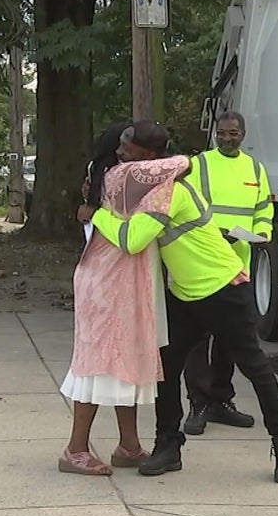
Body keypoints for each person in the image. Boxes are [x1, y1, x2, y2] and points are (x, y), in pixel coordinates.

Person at [85, 132, 278, 484]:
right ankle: (168, 446)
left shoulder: (167, 192)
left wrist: (95, 215)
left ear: (149, 155)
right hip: (185, 294)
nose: (120, 153)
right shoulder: (152, 186)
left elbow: (131, 240)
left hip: (222, 288)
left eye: (127, 147)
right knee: (166, 369)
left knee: (255, 368)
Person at [58, 121, 189, 476]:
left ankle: (128, 445)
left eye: (127, 143)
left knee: (123, 364)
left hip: (118, 279)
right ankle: (75, 449)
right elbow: (183, 163)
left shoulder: (108, 174)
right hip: (109, 281)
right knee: (97, 366)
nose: (121, 149)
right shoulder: (126, 176)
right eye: (121, 143)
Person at [180, 111, 274, 436]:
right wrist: (215, 233)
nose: (226, 138)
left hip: (238, 265)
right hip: (203, 264)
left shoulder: (255, 169)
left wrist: (262, 233)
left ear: (243, 135)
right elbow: (187, 207)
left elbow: (263, 208)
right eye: (221, 133)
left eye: (232, 133)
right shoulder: (200, 164)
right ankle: (198, 403)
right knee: (197, 339)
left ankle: (221, 400)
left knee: (230, 339)